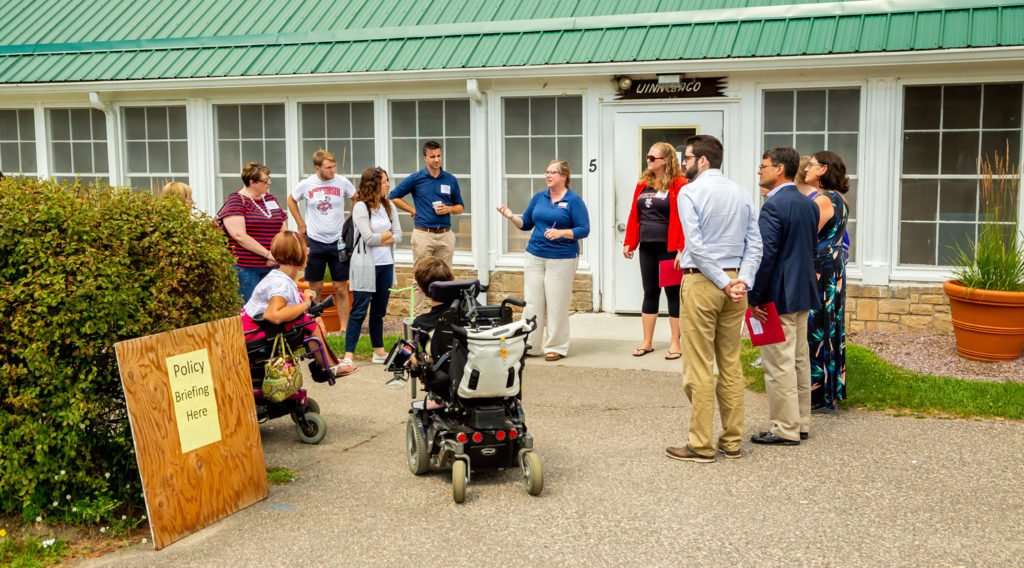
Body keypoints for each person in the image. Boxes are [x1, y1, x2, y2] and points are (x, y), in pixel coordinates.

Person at [665, 135, 762, 463]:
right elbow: (755, 244)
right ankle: (732, 442)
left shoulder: (690, 192)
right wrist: (742, 281)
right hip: (734, 283)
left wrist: (724, 283)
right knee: (731, 364)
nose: (684, 163)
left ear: (703, 160)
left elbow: (696, 245)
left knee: (699, 366)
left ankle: (702, 445)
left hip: (704, 283)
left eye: (688, 158)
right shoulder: (741, 192)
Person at [748, 147, 821, 446]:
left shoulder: (773, 206)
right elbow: (811, 252)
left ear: (779, 169)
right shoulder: (809, 204)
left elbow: (766, 256)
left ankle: (784, 428)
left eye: (763, 165)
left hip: (778, 295)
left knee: (779, 364)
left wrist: (754, 297)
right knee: (799, 361)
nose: (759, 171)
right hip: (803, 292)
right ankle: (800, 423)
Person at [496, 160, 589, 362]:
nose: (548, 175)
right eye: (546, 172)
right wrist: (511, 216)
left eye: (553, 172)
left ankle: (556, 347)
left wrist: (561, 233)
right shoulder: (539, 197)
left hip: (562, 259)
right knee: (532, 303)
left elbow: (584, 229)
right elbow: (525, 224)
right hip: (535, 256)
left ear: (564, 176)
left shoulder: (574, 200)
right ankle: (530, 344)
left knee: (557, 305)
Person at [240, 231, 357, 377]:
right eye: (305, 250)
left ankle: (329, 363)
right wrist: (305, 305)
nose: (308, 253)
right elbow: (274, 315)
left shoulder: (281, 277)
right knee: (307, 322)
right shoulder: (280, 283)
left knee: (310, 319)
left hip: (254, 329)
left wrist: (303, 299)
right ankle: (329, 366)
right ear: (297, 255)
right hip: (254, 334)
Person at [623, 142, 687, 360]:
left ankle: (675, 343)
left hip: (669, 247)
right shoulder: (644, 182)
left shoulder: (679, 183)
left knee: (672, 294)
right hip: (647, 246)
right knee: (650, 292)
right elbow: (635, 213)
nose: (648, 160)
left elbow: (684, 218)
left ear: (666, 160)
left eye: (652, 158)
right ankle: (647, 342)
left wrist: (681, 249)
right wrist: (630, 241)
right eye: (647, 157)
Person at [388, 140, 464, 314]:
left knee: (445, 278)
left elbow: (460, 207)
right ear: (425, 158)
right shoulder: (417, 178)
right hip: (423, 234)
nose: (436, 160)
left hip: (445, 234)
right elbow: (394, 196)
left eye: (439, 156)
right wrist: (412, 209)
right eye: (432, 157)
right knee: (420, 278)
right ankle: (417, 320)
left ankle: (443, 317)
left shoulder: (450, 180)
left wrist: (449, 209)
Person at [287, 149, 356, 331]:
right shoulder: (307, 184)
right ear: (317, 168)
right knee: (315, 287)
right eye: (328, 168)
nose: (333, 170)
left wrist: (351, 220)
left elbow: (355, 197)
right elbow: (291, 200)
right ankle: (316, 327)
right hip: (315, 241)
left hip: (338, 241)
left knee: (340, 287)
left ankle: (344, 328)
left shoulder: (342, 182)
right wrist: (300, 223)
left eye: (334, 166)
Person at [804, 151, 851, 412]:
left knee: (815, 329)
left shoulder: (823, 200)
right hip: (834, 269)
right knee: (829, 325)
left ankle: (816, 393)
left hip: (820, 271)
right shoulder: (839, 198)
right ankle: (828, 391)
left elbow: (806, 236)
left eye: (811, 165)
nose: (806, 169)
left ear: (823, 169)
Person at [343, 167, 403, 367]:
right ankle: (348, 355)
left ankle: (378, 351)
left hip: (386, 265)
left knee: (379, 311)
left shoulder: (389, 205)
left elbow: (399, 235)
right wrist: (387, 235)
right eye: (384, 181)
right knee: (359, 310)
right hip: (364, 265)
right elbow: (368, 239)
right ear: (373, 184)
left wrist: (382, 237)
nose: (388, 184)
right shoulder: (361, 207)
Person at [219, 162, 287, 302]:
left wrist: (277, 254)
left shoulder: (270, 198)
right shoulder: (237, 200)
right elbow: (239, 235)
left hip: (273, 266)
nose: (269, 183)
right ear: (252, 182)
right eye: (265, 180)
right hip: (246, 268)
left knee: (273, 307)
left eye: (269, 179)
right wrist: (267, 254)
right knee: (250, 308)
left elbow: (282, 226)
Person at [408, 256, 456, 407]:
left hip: (448, 377)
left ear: (422, 290)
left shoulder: (422, 323)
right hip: (482, 371)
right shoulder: (475, 312)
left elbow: (419, 356)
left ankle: (439, 400)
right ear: (451, 280)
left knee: (417, 358)